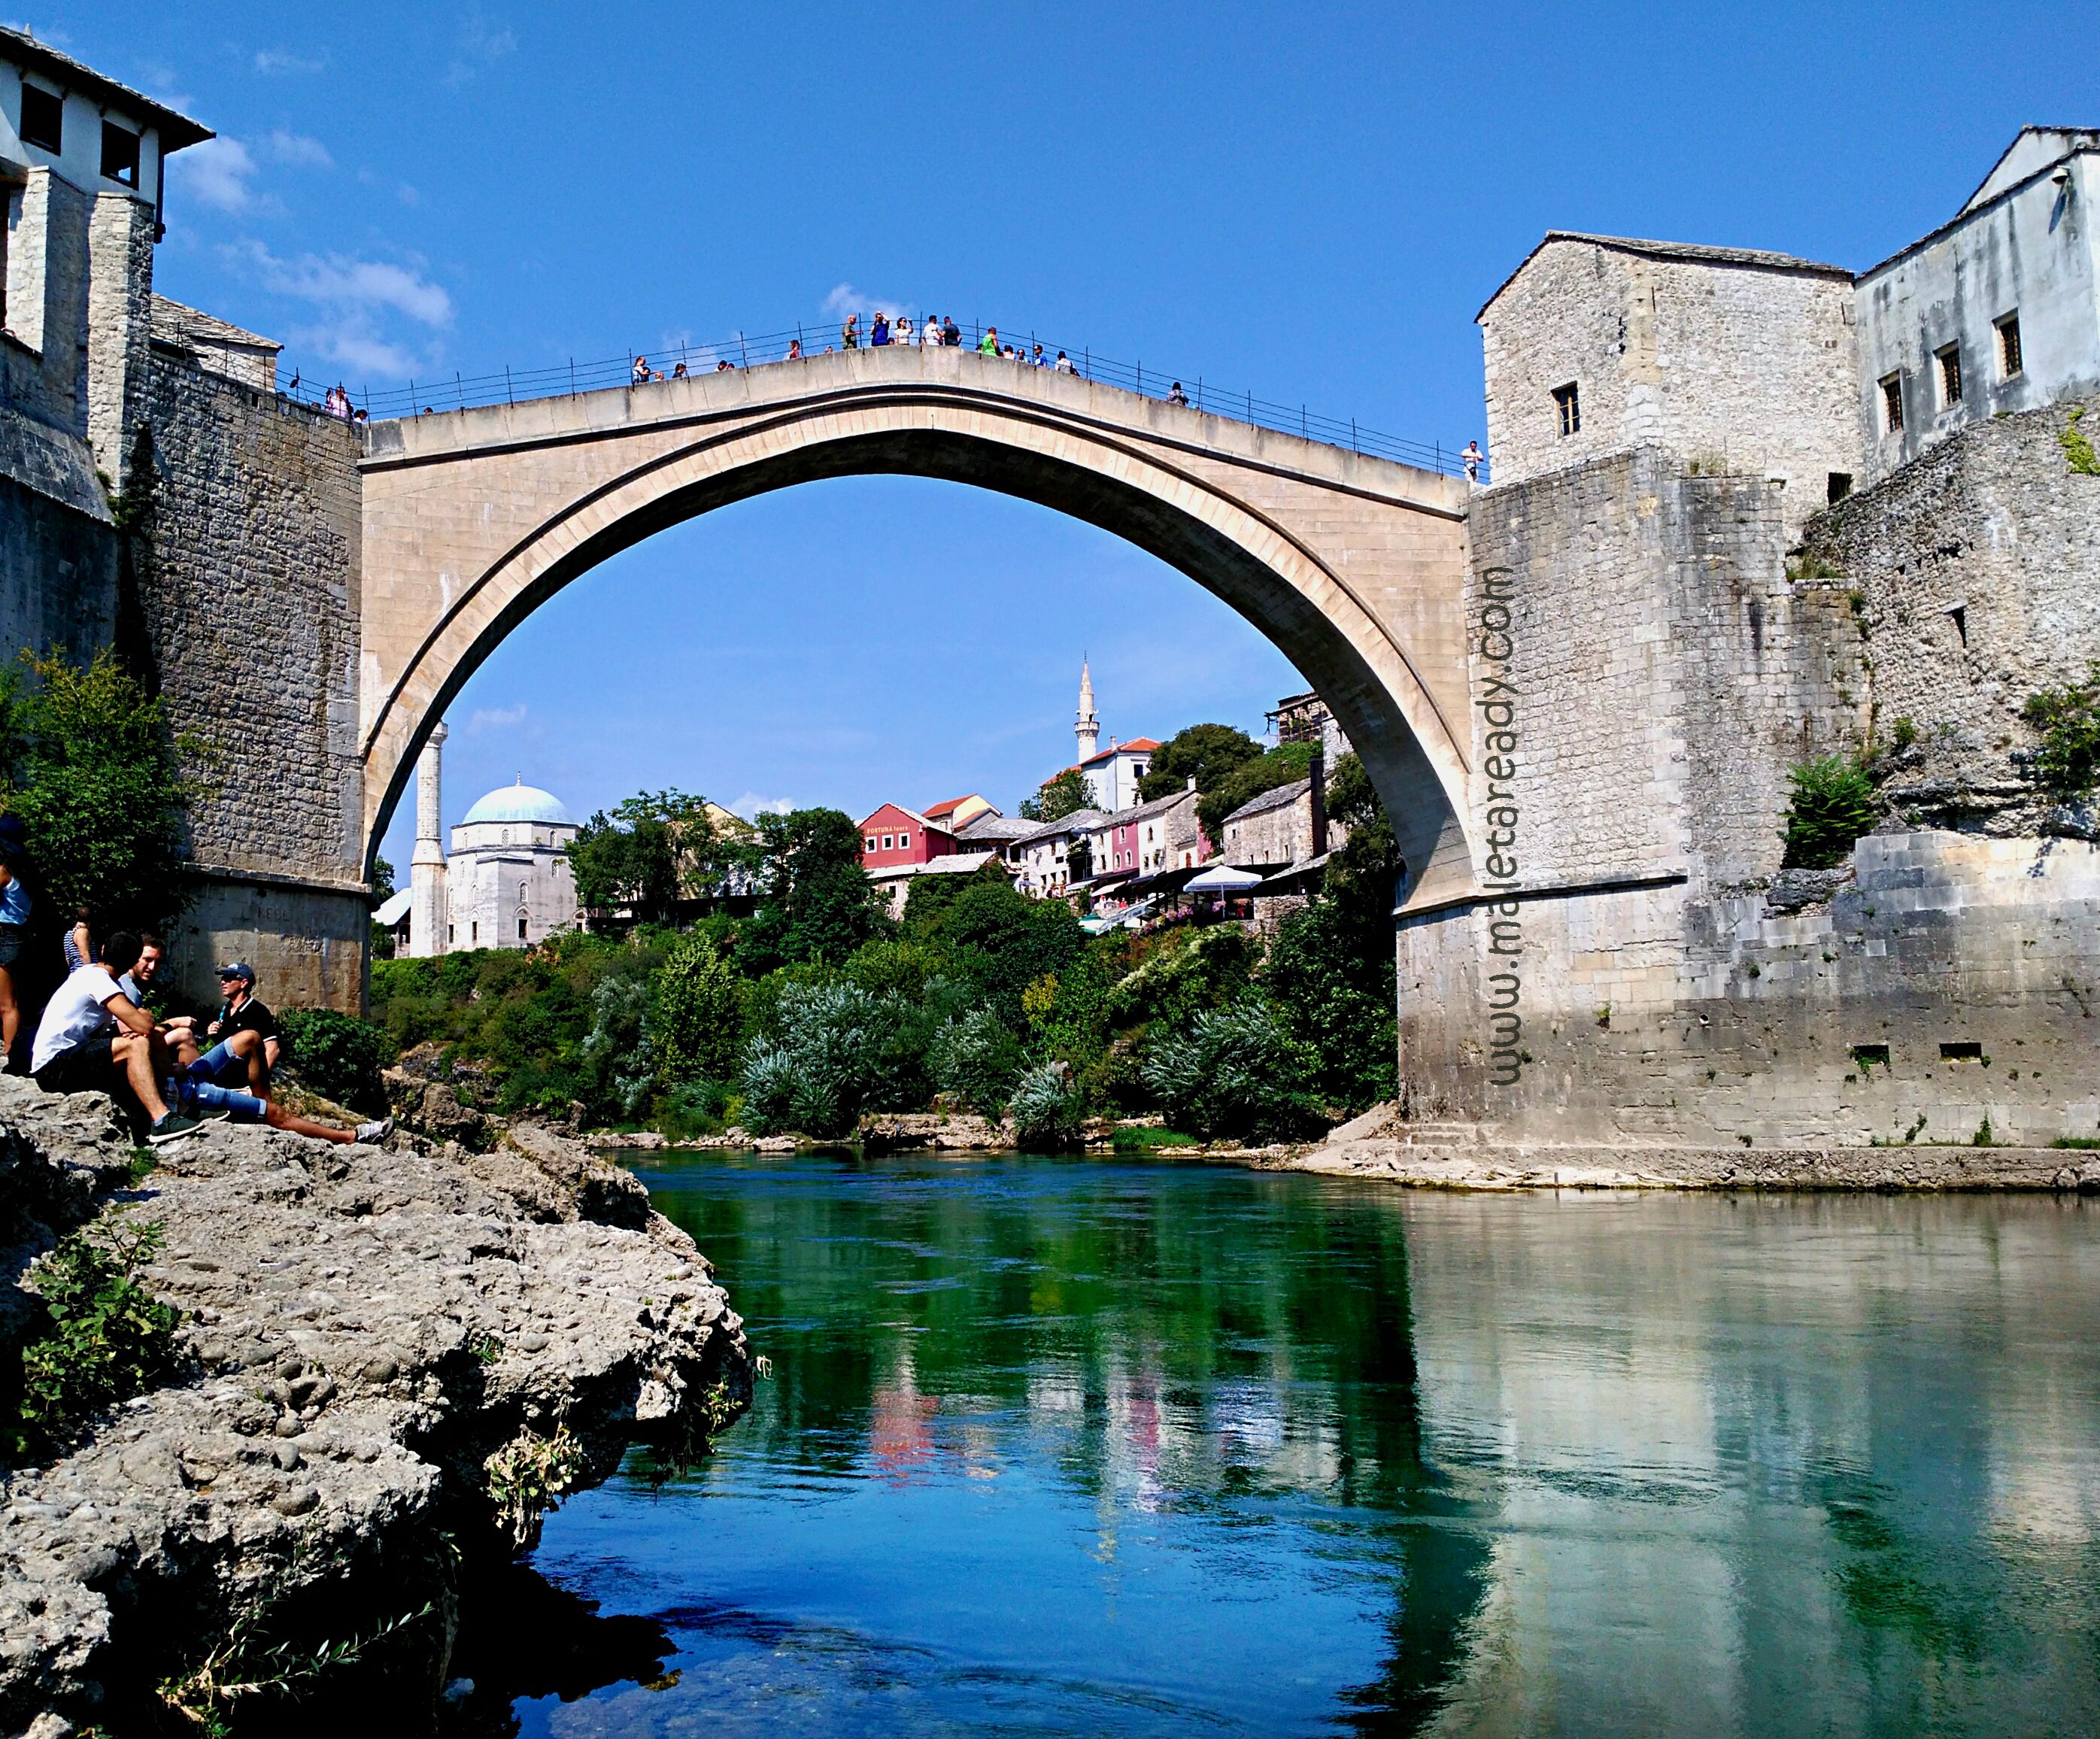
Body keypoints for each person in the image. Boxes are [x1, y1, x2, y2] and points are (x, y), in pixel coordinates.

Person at [30, 931, 199, 1143]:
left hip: (67, 1059)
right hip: (54, 1067)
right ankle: (161, 1119)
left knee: (146, 1039)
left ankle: (179, 1107)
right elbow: (143, 1026)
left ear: (103, 950)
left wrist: (141, 1020)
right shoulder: (100, 981)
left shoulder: (90, 973)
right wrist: (145, 1018)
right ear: (132, 962)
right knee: (136, 1045)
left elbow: (134, 1024)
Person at [180, 1074, 392, 1146]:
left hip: (191, 1084)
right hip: (192, 1094)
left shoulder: (245, 1011)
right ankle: (350, 1137)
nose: (223, 987)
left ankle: (264, 1107)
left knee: (250, 1038)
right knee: (277, 1115)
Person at [182, 962, 282, 1097]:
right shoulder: (226, 1009)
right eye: (223, 979)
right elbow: (228, 1047)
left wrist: (256, 1086)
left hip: (243, 1087)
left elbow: (273, 1049)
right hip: (222, 1084)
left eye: (228, 979)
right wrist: (213, 1034)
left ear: (243, 983)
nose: (223, 982)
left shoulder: (258, 1012)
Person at [0, 828, 31, 1069]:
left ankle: (10, 1055)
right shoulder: (24, 872)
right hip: (13, 935)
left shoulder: (3, 872)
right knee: (8, 1002)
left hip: (6, 936)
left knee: (6, 1003)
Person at [62, 909, 90, 976]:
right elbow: (84, 954)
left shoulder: (68, 935)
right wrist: (90, 973)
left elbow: (68, 959)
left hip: (75, 972)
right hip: (85, 974)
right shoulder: (82, 932)